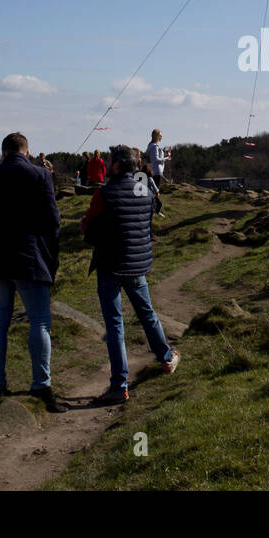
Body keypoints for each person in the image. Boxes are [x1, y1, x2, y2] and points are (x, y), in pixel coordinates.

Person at [0, 132, 66, 413]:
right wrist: (51, 256)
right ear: (27, 152)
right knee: (40, 322)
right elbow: (54, 222)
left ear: (3, 153)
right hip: (30, 260)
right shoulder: (41, 176)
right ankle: (41, 385)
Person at [81, 144, 180, 405]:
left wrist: (93, 230)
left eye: (110, 158)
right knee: (146, 313)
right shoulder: (145, 189)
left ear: (116, 165)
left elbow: (88, 230)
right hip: (136, 264)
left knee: (115, 325)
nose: (108, 160)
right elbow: (149, 216)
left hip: (109, 266)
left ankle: (119, 385)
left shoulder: (104, 194)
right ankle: (166, 357)